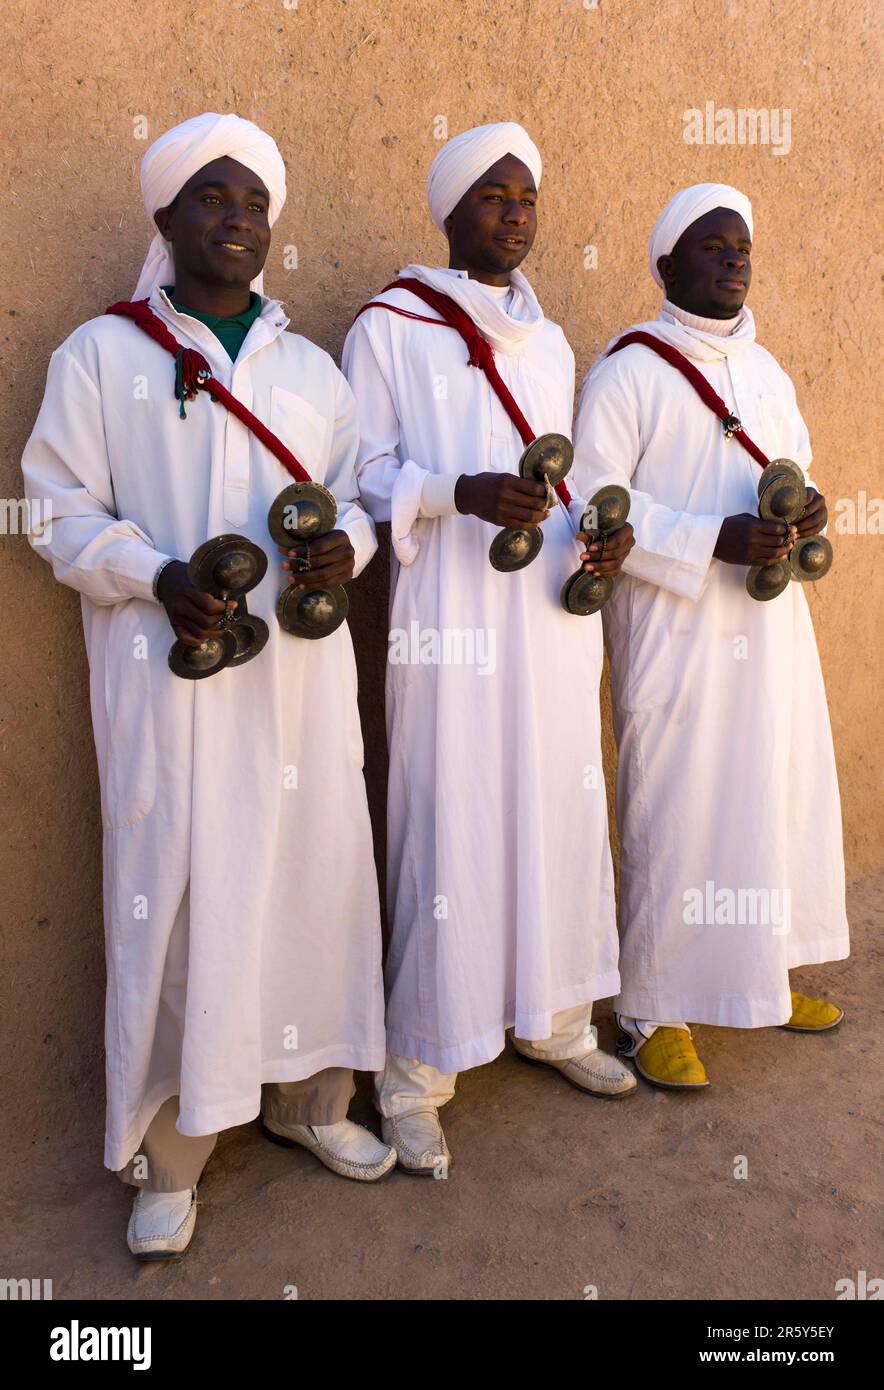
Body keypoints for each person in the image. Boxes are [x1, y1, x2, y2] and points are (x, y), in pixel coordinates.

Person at [21, 112, 392, 1260]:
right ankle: (171, 1156)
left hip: (298, 686)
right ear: (165, 218)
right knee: (184, 904)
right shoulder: (101, 356)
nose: (238, 221)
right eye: (212, 200)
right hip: (170, 687)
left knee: (310, 879)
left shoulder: (309, 368)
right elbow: (55, 511)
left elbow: (355, 496)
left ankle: (310, 1103)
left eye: (254, 204)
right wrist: (154, 573)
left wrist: (353, 549)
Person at [342, 122, 636, 1176]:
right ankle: (419, 1066)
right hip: (449, 614)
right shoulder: (388, 326)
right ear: (450, 211)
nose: (513, 214)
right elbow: (361, 469)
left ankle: (555, 1017)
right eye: (492, 197)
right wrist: (447, 491)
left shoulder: (550, 341)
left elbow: (568, 473)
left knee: (555, 805)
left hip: (548, 614)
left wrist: (597, 529)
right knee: (450, 813)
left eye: (526, 198)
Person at [572, 182, 849, 1090]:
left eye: (742, 249)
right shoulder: (628, 372)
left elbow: (793, 463)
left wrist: (802, 507)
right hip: (676, 627)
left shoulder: (767, 375)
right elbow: (593, 504)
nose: (734, 261)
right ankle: (652, 1007)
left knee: (772, 793)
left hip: (769, 628)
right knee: (681, 802)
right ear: (665, 267)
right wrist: (708, 539)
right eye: (711, 247)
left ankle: (757, 975)